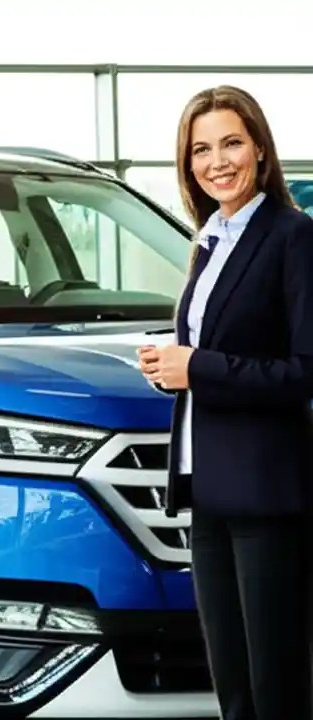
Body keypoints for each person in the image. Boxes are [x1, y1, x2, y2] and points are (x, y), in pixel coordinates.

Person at [137, 84, 313, 720]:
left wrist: (199, 367)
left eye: (231, 143)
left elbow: (303, 372)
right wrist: (172, 368)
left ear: (261, 150)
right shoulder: (211, 241)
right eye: (200, 149)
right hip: (207, 489)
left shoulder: (293, 237)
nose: (218, 161)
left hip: (267, 494)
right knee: (233, 691)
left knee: (278, 690)